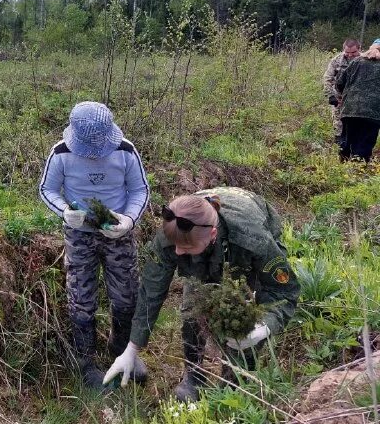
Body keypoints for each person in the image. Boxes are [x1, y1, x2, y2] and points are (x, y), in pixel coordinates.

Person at [104, 187, 299, 402]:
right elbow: (151, 291)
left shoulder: (253, 240)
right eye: (175, 246)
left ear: (212, 235)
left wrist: (263, 327)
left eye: (184, 247)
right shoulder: (173, 231)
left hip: (245, 240)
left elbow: (283, 291)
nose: (177, 252)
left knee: (246, 318)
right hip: (202, 235)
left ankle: (235, 379)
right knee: (192, 307)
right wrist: (132, 348)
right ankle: (194, 375)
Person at [39, 101, 150, 390]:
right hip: (79, 236)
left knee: (127, 296)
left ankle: (121, 349)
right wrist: (64, 211)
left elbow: (140, 189)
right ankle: (85, 362)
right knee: (81, 297)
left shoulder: (125, 150)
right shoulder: (61, 153)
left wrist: (128, 220)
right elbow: (47, 189)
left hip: (118, 234)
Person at [336, 39, 380, 162]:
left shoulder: (356, 61)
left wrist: (344, 96)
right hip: (374, 113)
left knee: (347, 142)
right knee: (364, 144)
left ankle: (342, 167)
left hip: (350, 109)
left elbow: (339, 83)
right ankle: (358, 169)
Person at [323, 38, 361, 144]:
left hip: (358, 99)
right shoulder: (337, 60)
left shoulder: (365, 60)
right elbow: (327, 78)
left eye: (353, 52)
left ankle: (354, 151)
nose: (350, 55)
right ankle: (340, 149)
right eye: (347, 52)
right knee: (338, 125)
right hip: (340, 98)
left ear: (359, 49)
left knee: (356, 125)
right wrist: (331, 96)